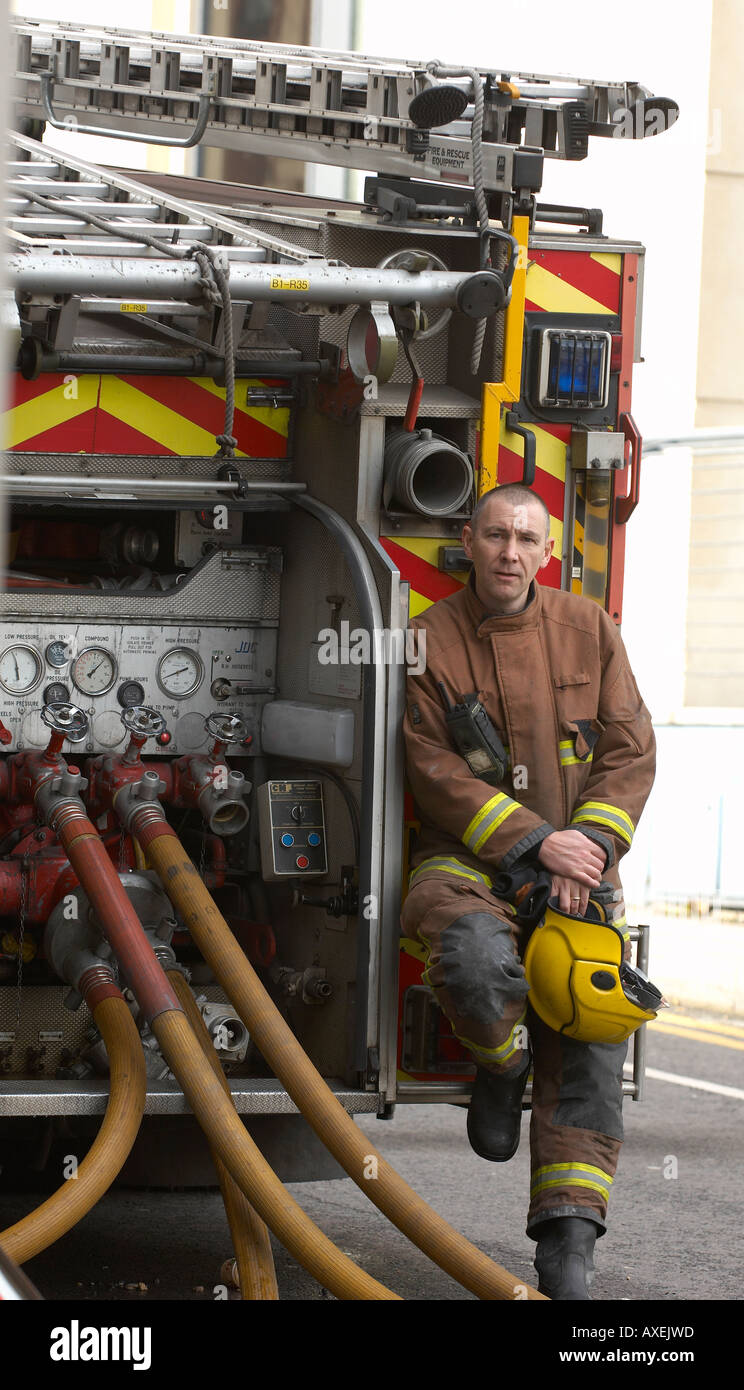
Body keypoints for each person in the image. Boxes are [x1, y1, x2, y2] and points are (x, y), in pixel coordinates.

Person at [401, 482, 656, 1299]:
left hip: (581, 870)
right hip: (468, 864)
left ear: (548, 552)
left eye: (526, 540)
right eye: (495, 536)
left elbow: (629, 749)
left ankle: (568, 1249)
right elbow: (433, 772)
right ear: (467, 542)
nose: (511, 553)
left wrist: (590, 847)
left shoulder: (591, 629)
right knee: (475, 962)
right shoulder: (427, 640)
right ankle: (500, 1067)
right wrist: (536, 843)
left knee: (588, 1035)